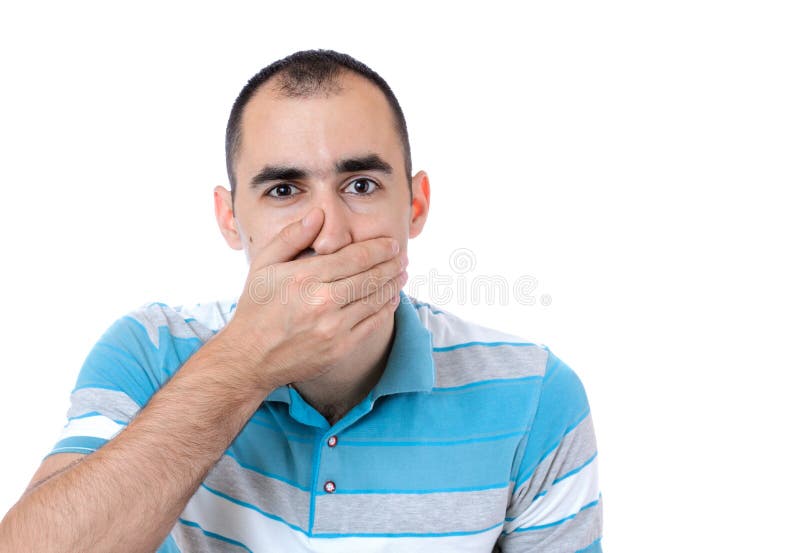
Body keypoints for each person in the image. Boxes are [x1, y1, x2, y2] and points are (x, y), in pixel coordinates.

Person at [0, 49, 602, 552]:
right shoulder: (149, 351)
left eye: (361, 185)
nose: (331, 234)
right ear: (230, 218)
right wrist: (245, 363)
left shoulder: (534, 394)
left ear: (415, 206)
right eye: (284, 189)